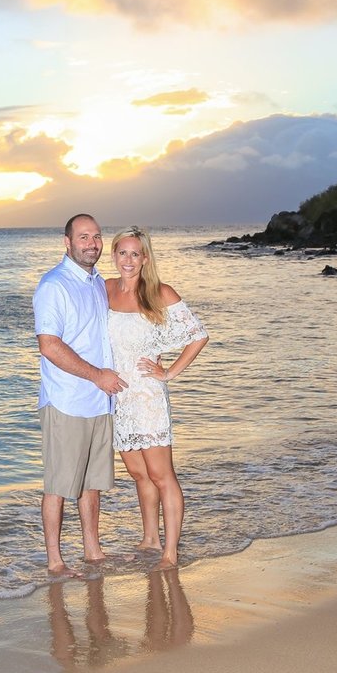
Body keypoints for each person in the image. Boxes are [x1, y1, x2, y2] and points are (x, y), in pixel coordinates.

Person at [105, 226, 208, 570]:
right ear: (114, 254)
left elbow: (197, 335)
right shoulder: (104, 289)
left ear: (145, 258)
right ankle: (150, 539)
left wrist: (168, 372)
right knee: (138, 473)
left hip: (148, 397)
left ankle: (170, 552)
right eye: (123, 252)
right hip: (118, 398)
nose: (128, 260)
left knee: (162, 475)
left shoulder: (160, 292)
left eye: (136, 254)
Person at [33, 213, 128, 575]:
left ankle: (93, 552)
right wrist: (97, 376)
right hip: (68, 400)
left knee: (92, 483)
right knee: (58, 483)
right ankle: (55, 562)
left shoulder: (96, 283)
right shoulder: (54, 285)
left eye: (97, 236)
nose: (92, 243)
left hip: (99, 400)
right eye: (84, 237)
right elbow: (49, 345)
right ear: (67, 242)